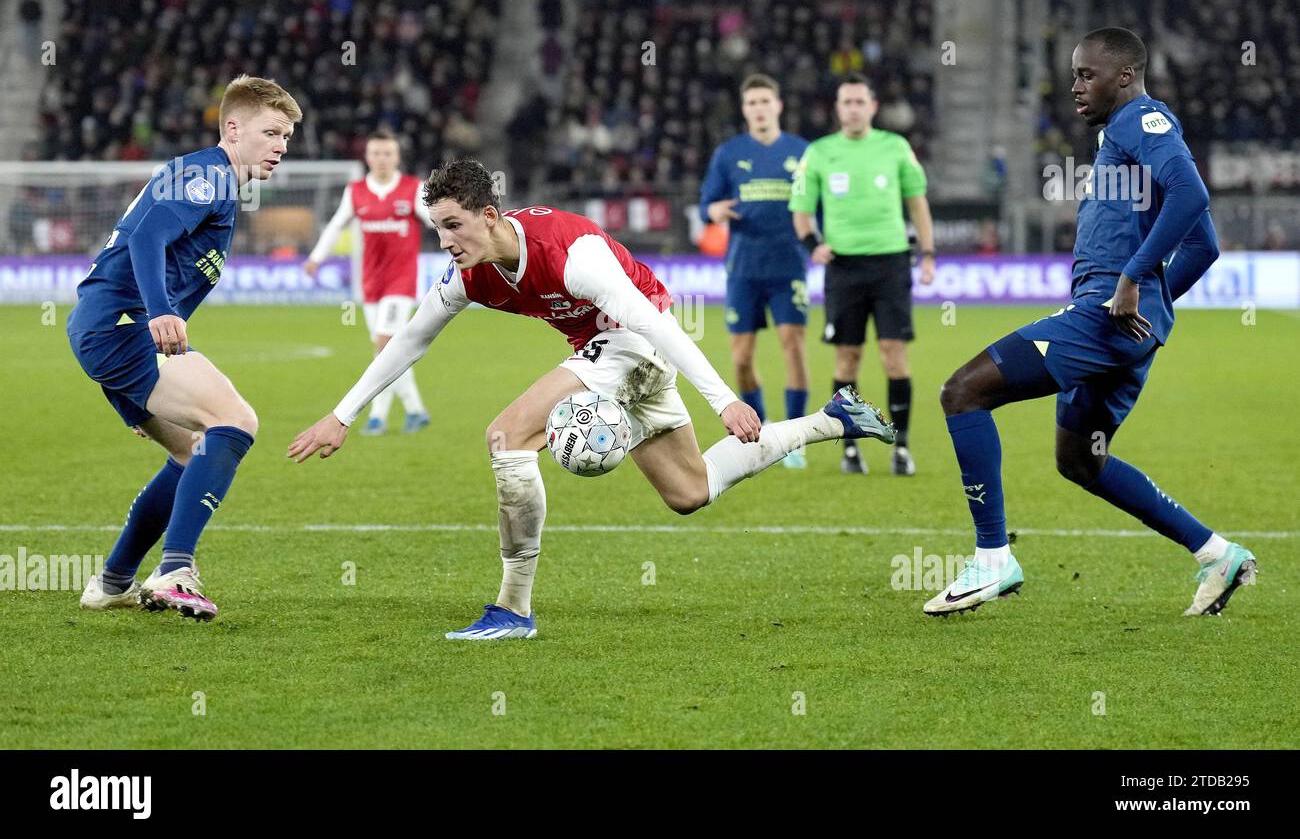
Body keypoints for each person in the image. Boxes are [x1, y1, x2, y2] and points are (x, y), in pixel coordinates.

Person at [288, 159, 895, 640]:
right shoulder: (469, 274)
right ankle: (831, 420)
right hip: (612, 353)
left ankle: (512, 609)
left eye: (454, 225)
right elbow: (410, 341)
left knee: (506, 436)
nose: (444, 241)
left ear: (490, 215)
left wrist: (723, 400)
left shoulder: (572, 252)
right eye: (437, 229)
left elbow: (656, 322)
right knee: (691, 492)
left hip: (635, 341)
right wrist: (341, 415)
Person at [928, 27, 1255, 617]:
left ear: (1125, 75)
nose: (1075, 87)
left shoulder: (1139, 122)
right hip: (1123, 325)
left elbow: (1192, 195)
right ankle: (1217, 553)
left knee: (962, 391)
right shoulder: (1128, 137)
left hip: (1102, 317)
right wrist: (1151, 310)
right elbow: (1203, 246)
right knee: (1081, 459)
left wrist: (1131, 283)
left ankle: (993, 558)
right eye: (1075, 74)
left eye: (1087, 75)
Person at [72, 75, 302, 620]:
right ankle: (175, 568)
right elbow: (149, 238)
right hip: (122, 327)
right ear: (233, 128)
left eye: (288, 137)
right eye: (271, 132)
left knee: (189, 451)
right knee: (236, 421)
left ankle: (112, 582)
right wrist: (160, 312)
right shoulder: (208, 174)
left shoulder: (214, 180)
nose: (281, 147)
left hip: (107, 331)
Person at [790, 73, 936, 476]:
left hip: (890, 264)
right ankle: (850, 449)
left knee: (894, 356)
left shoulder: (895, 147)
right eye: (846, 102)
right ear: (838, 109)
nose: (853, 109)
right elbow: (800, 209)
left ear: (872, 106)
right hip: (843, 268)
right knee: (847, 358)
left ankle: (901, 447)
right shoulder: (819, 153)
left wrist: (927, 253)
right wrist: (811, 245)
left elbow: (917, 204)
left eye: (859, 102)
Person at [699, 74, 811, 468]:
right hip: (743, 268)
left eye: (765, 101)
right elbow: (706, 205)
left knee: (793, 346)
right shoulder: (729, 154)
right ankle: (762, 432)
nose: (759, 109)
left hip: (789, 265)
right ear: (744, 110)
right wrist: (713, 211)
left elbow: (821, 205)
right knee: (742, 357)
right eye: (751, 103)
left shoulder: (803, 152)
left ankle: (794, 439)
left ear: (778, 105)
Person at [305, 129, 432, 435]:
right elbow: (336, 225)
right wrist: (316, 257)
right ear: (367, 156)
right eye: (376, 153)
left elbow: (436, 221)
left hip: (401, 282)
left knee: (384, 344)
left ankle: (377, 416)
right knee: (386, 349)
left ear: (397, 156)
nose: (382, 159)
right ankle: (415, 410)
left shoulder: (412, 189)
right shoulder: (356, 191)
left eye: (387, 153)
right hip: (371, 283)